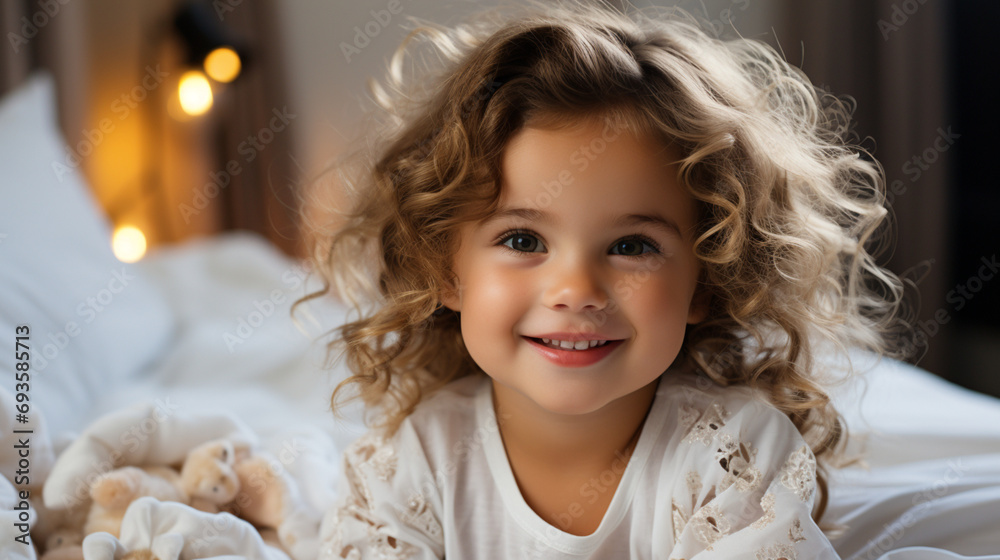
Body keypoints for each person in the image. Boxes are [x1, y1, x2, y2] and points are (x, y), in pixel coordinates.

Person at [300, 1, 913, 557]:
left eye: (630, 246)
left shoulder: (730, 454)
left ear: (705, 280)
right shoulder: (410, 463)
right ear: (445, 271)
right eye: (522, 240)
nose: (576, 290)